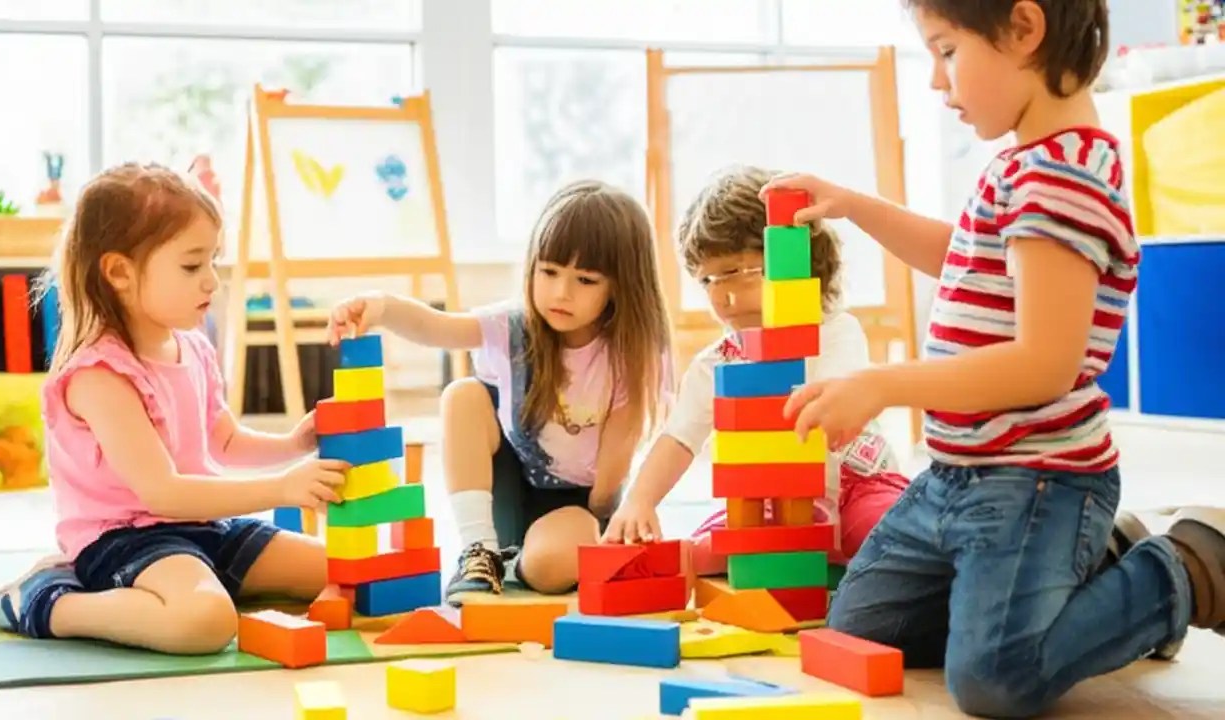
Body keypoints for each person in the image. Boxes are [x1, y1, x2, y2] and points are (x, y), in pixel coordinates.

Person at [765, 1, 1224, 717]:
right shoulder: (1028, 162)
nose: (936, 83)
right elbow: (961, 256)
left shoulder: (1062, 180)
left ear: (1024, 29)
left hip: (1037, 482)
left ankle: (1185, 569)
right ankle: (1089, 567)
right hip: (955, 475)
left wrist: (883, 385)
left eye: (946, 52)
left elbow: (1042, 363)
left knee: (994, 680)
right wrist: (856, 206)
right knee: (860, 628)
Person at [0, 163, 347, 654]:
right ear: (119, 273)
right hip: (126, 537)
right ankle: (50, 602)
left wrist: (291, 445)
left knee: (343, 569)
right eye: (192, 266)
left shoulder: (192, 347)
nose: (211, 282)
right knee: (206, 623)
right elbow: (163, 494)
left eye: (213, 262)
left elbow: (222, 440)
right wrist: (280, 487)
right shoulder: (99, 376)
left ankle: (195, 580)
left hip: (202, 525)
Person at [327, 180, 672, 605]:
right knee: (464, 395)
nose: (561, 292)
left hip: (575, 503)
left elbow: (613, 471)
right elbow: (439, 328)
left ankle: (515, 562)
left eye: (585, 279)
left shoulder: (629, 355)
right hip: (508, 484)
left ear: (621, 286)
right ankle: (479, 551)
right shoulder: (514, 325)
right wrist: (378, 305)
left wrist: (602, 527)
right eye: (549, 272)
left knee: (549, 568)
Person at [602, 165, 908, 571]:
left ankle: (841, 548)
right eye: (707, 280)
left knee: (891, 532)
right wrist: (639, 500)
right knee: (706, 550)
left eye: (735, 273)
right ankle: (821, 551)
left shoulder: (834, 331)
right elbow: (678, 438)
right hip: (766, 502)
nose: (723, 296)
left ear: (796, 261)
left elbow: (837, 402)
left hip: (857, 484)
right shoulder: (718, 362)